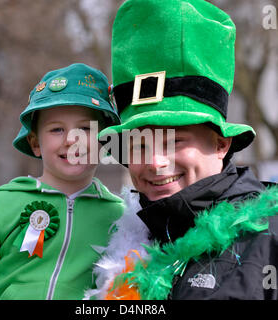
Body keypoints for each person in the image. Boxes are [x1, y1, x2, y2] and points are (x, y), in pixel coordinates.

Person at [85, 0, 278, 300]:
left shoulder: (269, 239)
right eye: (138, 145)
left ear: (221, 143)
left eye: (175, 142)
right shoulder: (123, 242)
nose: (155, 162)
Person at [0, 63, 124, 300]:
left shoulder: (121, 218)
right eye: (57, 130)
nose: (72, 140)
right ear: (35, 143)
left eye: (84, 129)